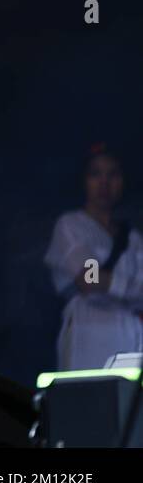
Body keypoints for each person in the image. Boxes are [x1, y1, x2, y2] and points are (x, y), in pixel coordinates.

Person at [44, 143, 143, 370]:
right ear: (84, 181)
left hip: (132, 334)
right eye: (95, 174)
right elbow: (89, 278)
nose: (104, 183)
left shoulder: (134, 238)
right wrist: (130, 288)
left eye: (113, 174)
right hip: (87, 331)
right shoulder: (71, 225)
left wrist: (111, 284)